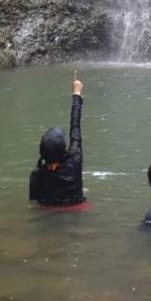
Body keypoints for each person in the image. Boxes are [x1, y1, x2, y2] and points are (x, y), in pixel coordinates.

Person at [29, 71, 86, 207]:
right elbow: (75, 126)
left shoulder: (37, 174)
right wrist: (76, 94)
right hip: (76, 211)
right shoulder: (74, 162)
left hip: (47, 212)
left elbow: (34, 202)